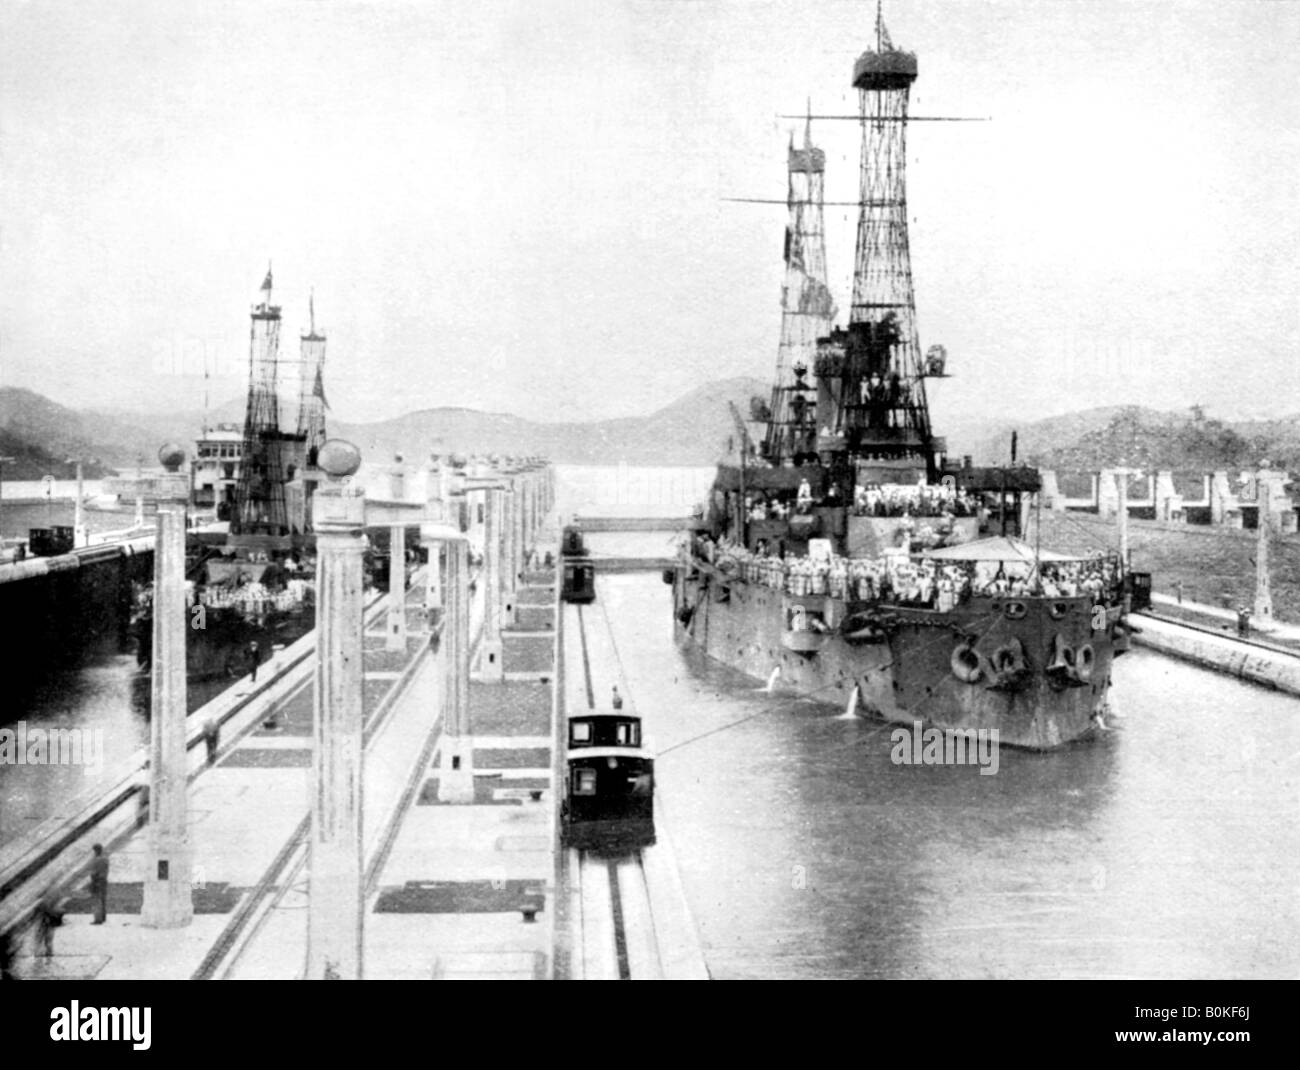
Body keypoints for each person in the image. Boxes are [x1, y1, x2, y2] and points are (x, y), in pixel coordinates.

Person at [89, 845, 109, 925]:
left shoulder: (97, 860)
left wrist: (93, 880)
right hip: (104, 880)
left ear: (96, 851)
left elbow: (94, 872)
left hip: (97, 881)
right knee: (103, 899)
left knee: (97, 900)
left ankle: (98, 919)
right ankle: (103, 917)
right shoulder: (105, 859)